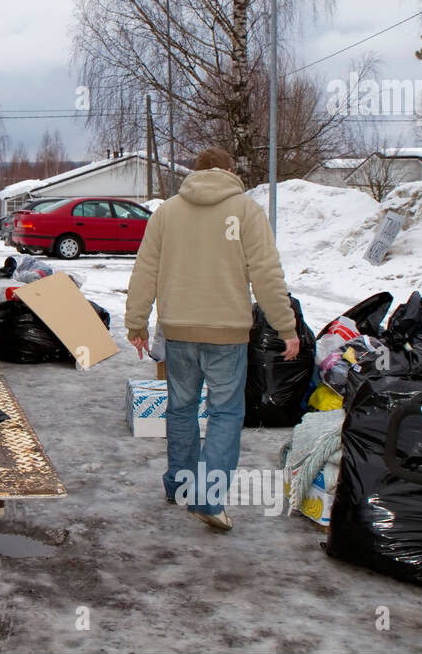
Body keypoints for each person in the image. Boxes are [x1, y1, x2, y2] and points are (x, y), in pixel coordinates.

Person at [125, 147, 299, 531]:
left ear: (195, 172)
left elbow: (144, 271)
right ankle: (208, 497)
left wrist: (136, 324)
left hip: (179, 332)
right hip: (227, 335)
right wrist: (286, 328)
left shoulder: (167, 213)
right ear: (229, 170)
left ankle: (180, 486)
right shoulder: (247, 211)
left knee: (181, 408)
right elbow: (267, 275)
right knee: (224, 413)